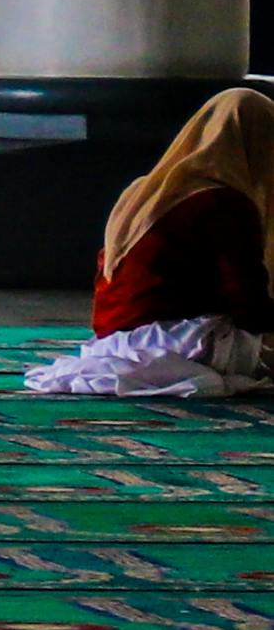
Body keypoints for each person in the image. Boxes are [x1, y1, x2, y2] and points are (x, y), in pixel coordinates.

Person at [29, 89, 274, 400]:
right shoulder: (224, 203)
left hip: (115, 342)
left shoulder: (146, 190)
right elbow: (248, 307)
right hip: (180, 343)